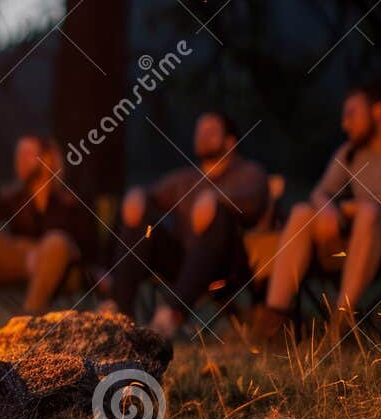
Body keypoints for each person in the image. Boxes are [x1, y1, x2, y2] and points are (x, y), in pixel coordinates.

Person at [249, 82, 381, 339]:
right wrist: (326, 208)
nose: (345, 123)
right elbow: (320, 192)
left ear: (379, 111)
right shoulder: (349, 153)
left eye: (351, 114)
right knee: (304, 212)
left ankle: (342, 322)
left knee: (369, 213)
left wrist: (346, 209)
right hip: (356, 244)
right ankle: (274, 321)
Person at [104, 112, 270, 337]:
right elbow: (150, 194)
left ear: (230, 141)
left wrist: (216, 198)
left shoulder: (249, 172)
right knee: (140, 217)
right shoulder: (186, 180)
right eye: (199, 131)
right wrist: (138, 196)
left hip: (228, 266)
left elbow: (254, 198)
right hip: (183, 265)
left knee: (219, 215)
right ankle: (119, 314)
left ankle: (172, 314)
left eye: (211, 132)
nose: (202, 136)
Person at [0, 134, 95, 331]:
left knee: (57, 241)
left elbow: (86, 246)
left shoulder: (70, 200)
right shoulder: (13, 197)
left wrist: (44, 253)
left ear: (47, 158)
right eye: (18, 155)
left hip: (55, 261)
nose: (20, 160)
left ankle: (28, 321)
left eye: (27, 154)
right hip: (17, 259)